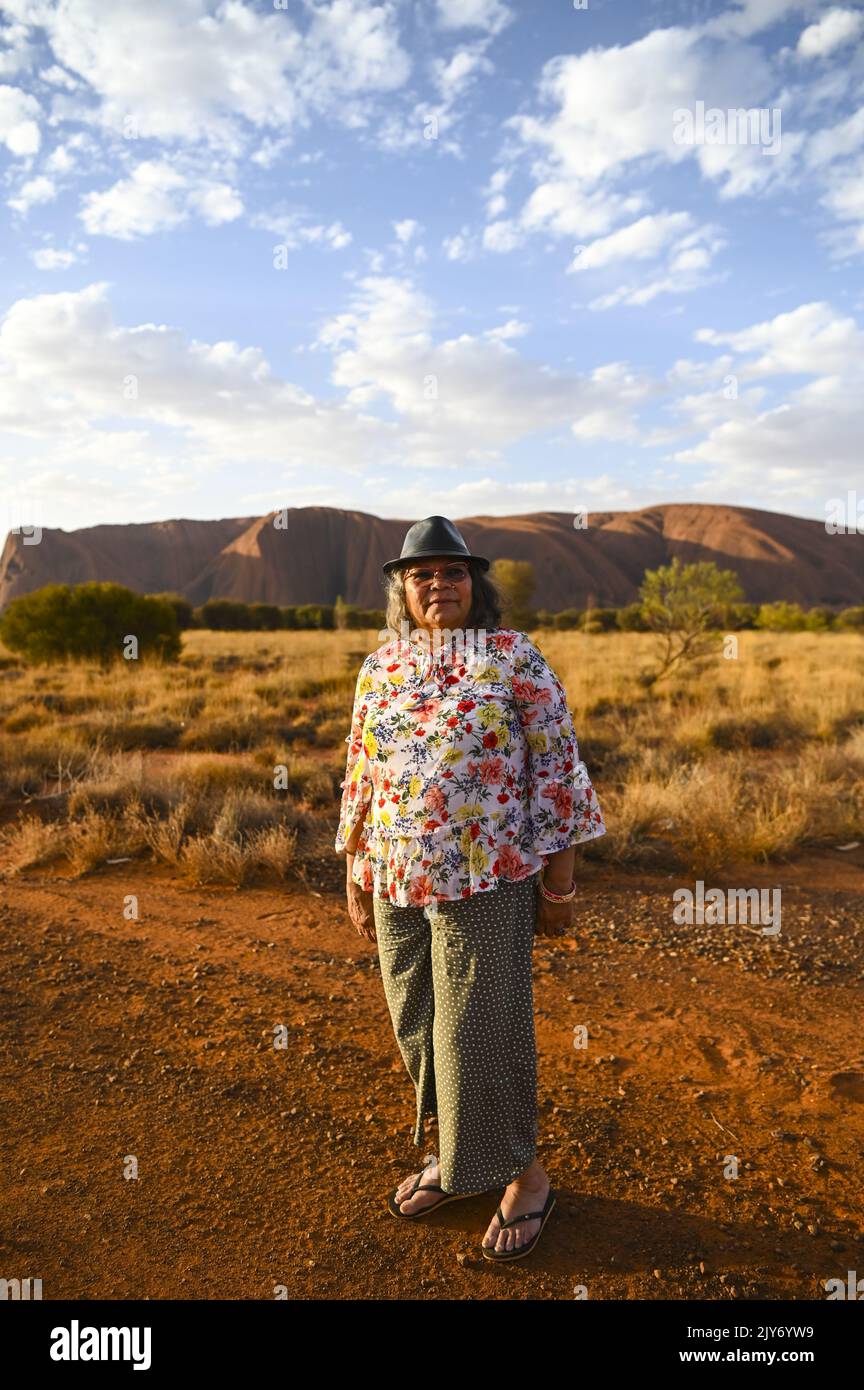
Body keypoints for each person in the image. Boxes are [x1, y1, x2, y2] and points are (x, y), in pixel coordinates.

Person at [335, 516, 606, 1260]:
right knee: (419, 1023)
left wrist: (560, 884)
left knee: (480, 1032)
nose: (438, 584)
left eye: (452, 573)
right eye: (422, 575)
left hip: (487, 876)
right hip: (395, 874)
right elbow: (362, 771)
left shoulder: (513, 657)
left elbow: (556, 768)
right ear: (403, 589)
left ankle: (524, 1176)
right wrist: (355, 871)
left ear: (473, 585)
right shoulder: (381, 667)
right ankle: (460, 1165)